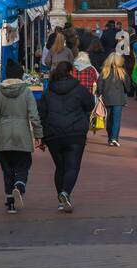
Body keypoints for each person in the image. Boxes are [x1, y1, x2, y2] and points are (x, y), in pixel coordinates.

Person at [0, 60, 43, 213]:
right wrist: (38, 134)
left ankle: (10, 201)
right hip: (22, 134)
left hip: (3, 135)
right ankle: (20, 185)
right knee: (23, 164)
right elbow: (34, 115)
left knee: (7, 169)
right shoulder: (26, 92)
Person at [37, 59, 95, 211]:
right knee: (72, 167)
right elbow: (90, 104)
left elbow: (41, 114)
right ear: (70, 72)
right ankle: (65, 193)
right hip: (75, 133)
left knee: (60, 167)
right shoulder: (79, 89)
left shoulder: (48, 92)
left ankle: (62, 200)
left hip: (53, 134)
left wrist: (41, 136)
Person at [96, 53, 132, 147]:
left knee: (109, 119)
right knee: (116, 119)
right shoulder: (122, 72)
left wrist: (99, 94)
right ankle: (114, 138)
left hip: (107, 98)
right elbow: (128, 87)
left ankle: (110, 138)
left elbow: (99, 86)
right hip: (119, 99)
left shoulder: (104, 71)